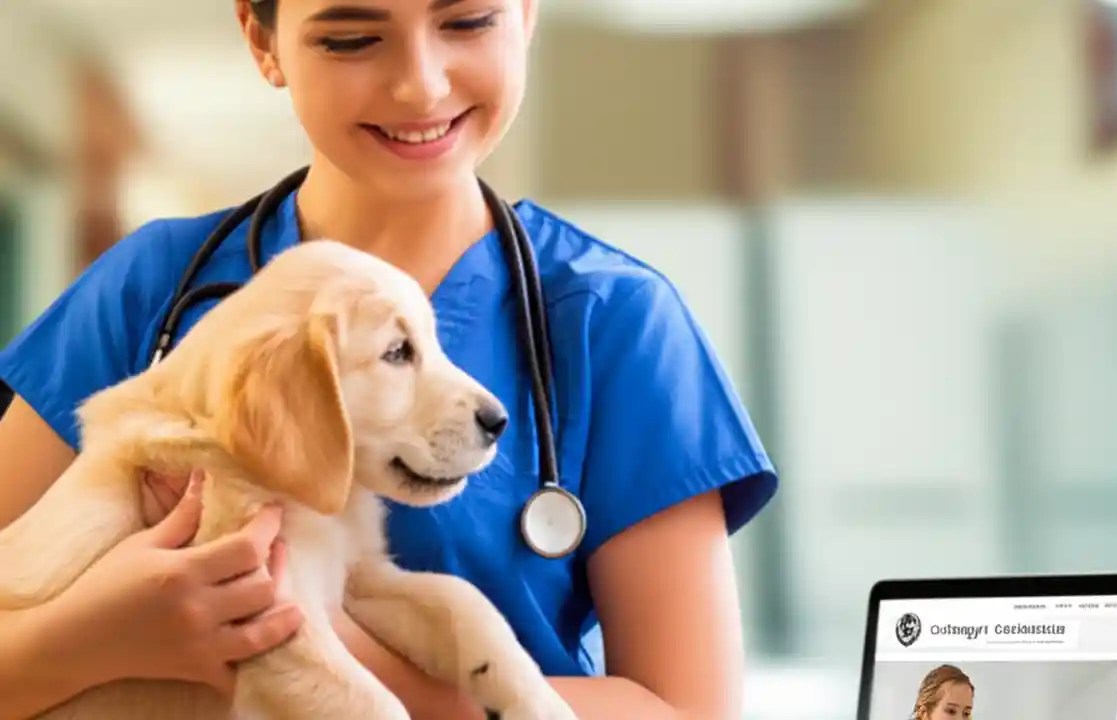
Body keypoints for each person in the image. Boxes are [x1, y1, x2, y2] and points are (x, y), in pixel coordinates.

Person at [0, 1, 778, 718]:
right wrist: (92, 636)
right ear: (262, 40)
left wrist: (292, 636)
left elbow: (690, 711)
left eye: (467, 21)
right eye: (352, 38)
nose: (420, 85)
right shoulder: (147, 288)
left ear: (526, 13)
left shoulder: (614, 319)